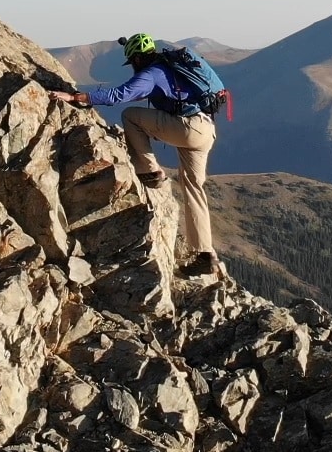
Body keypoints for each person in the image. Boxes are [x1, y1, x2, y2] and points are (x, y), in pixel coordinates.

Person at [51, 33, 223, 278]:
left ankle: (149, 171)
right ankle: (206, 255)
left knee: (131, 116)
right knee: (194, 188)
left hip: (187, 128)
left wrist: (79, 97)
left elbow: (120, 95)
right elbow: (141, 93)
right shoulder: (168, 69)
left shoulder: (151, 73)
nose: (133, 66)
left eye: (132, 61)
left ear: (138, 58)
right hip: (205, 130)